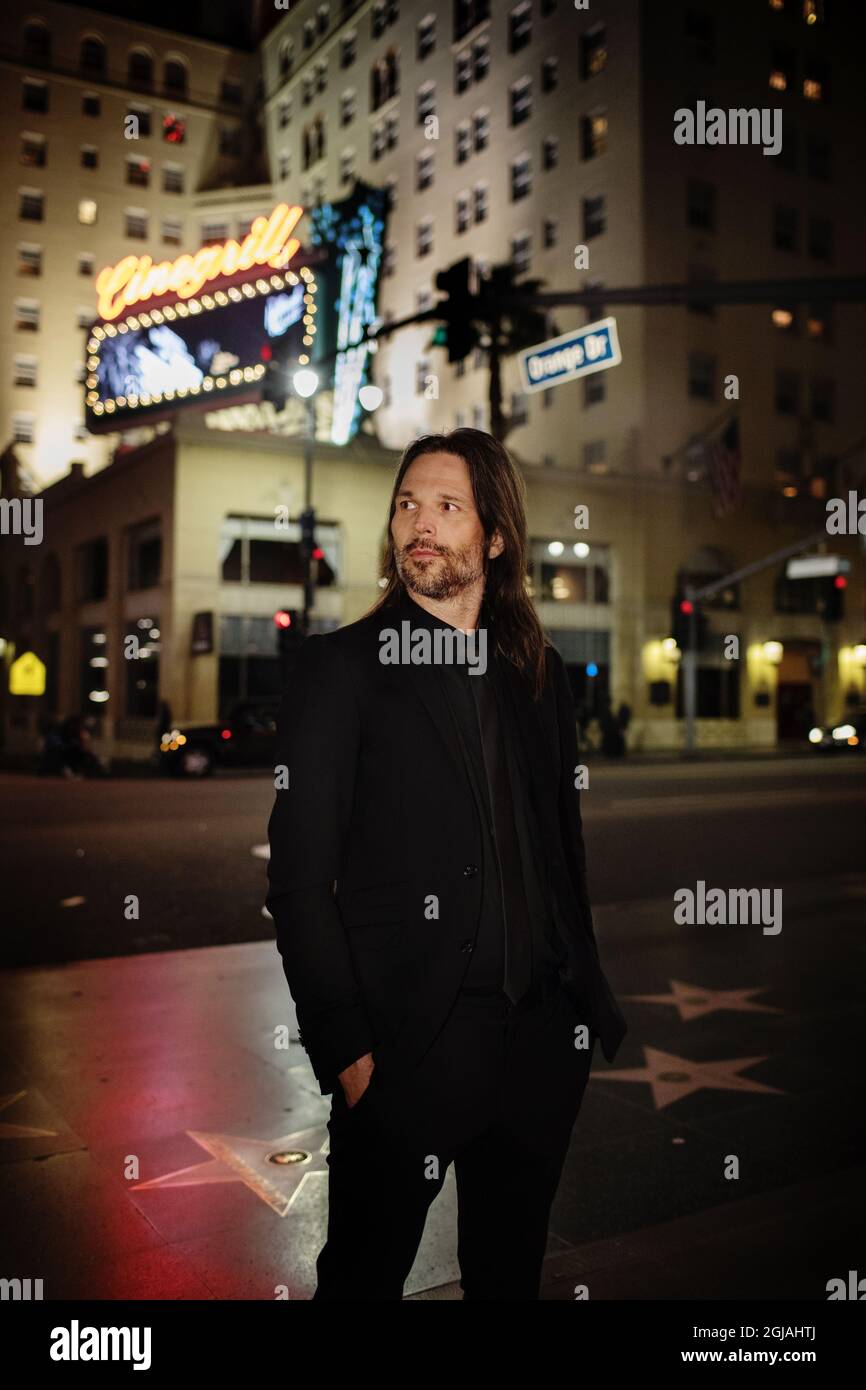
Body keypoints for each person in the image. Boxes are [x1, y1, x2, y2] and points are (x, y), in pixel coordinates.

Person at [265, 428, 627, 1300]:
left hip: (539, 1047)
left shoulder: (536, 675)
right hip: (407, 1056)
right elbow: (298, 882)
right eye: (407, 504)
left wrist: (575, 998)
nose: (419, 525)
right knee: (360, 1282)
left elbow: (559, 850)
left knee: (509, 1280)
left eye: (447, 507)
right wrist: (349, 1053)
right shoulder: (339, 670)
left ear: (494, 538)